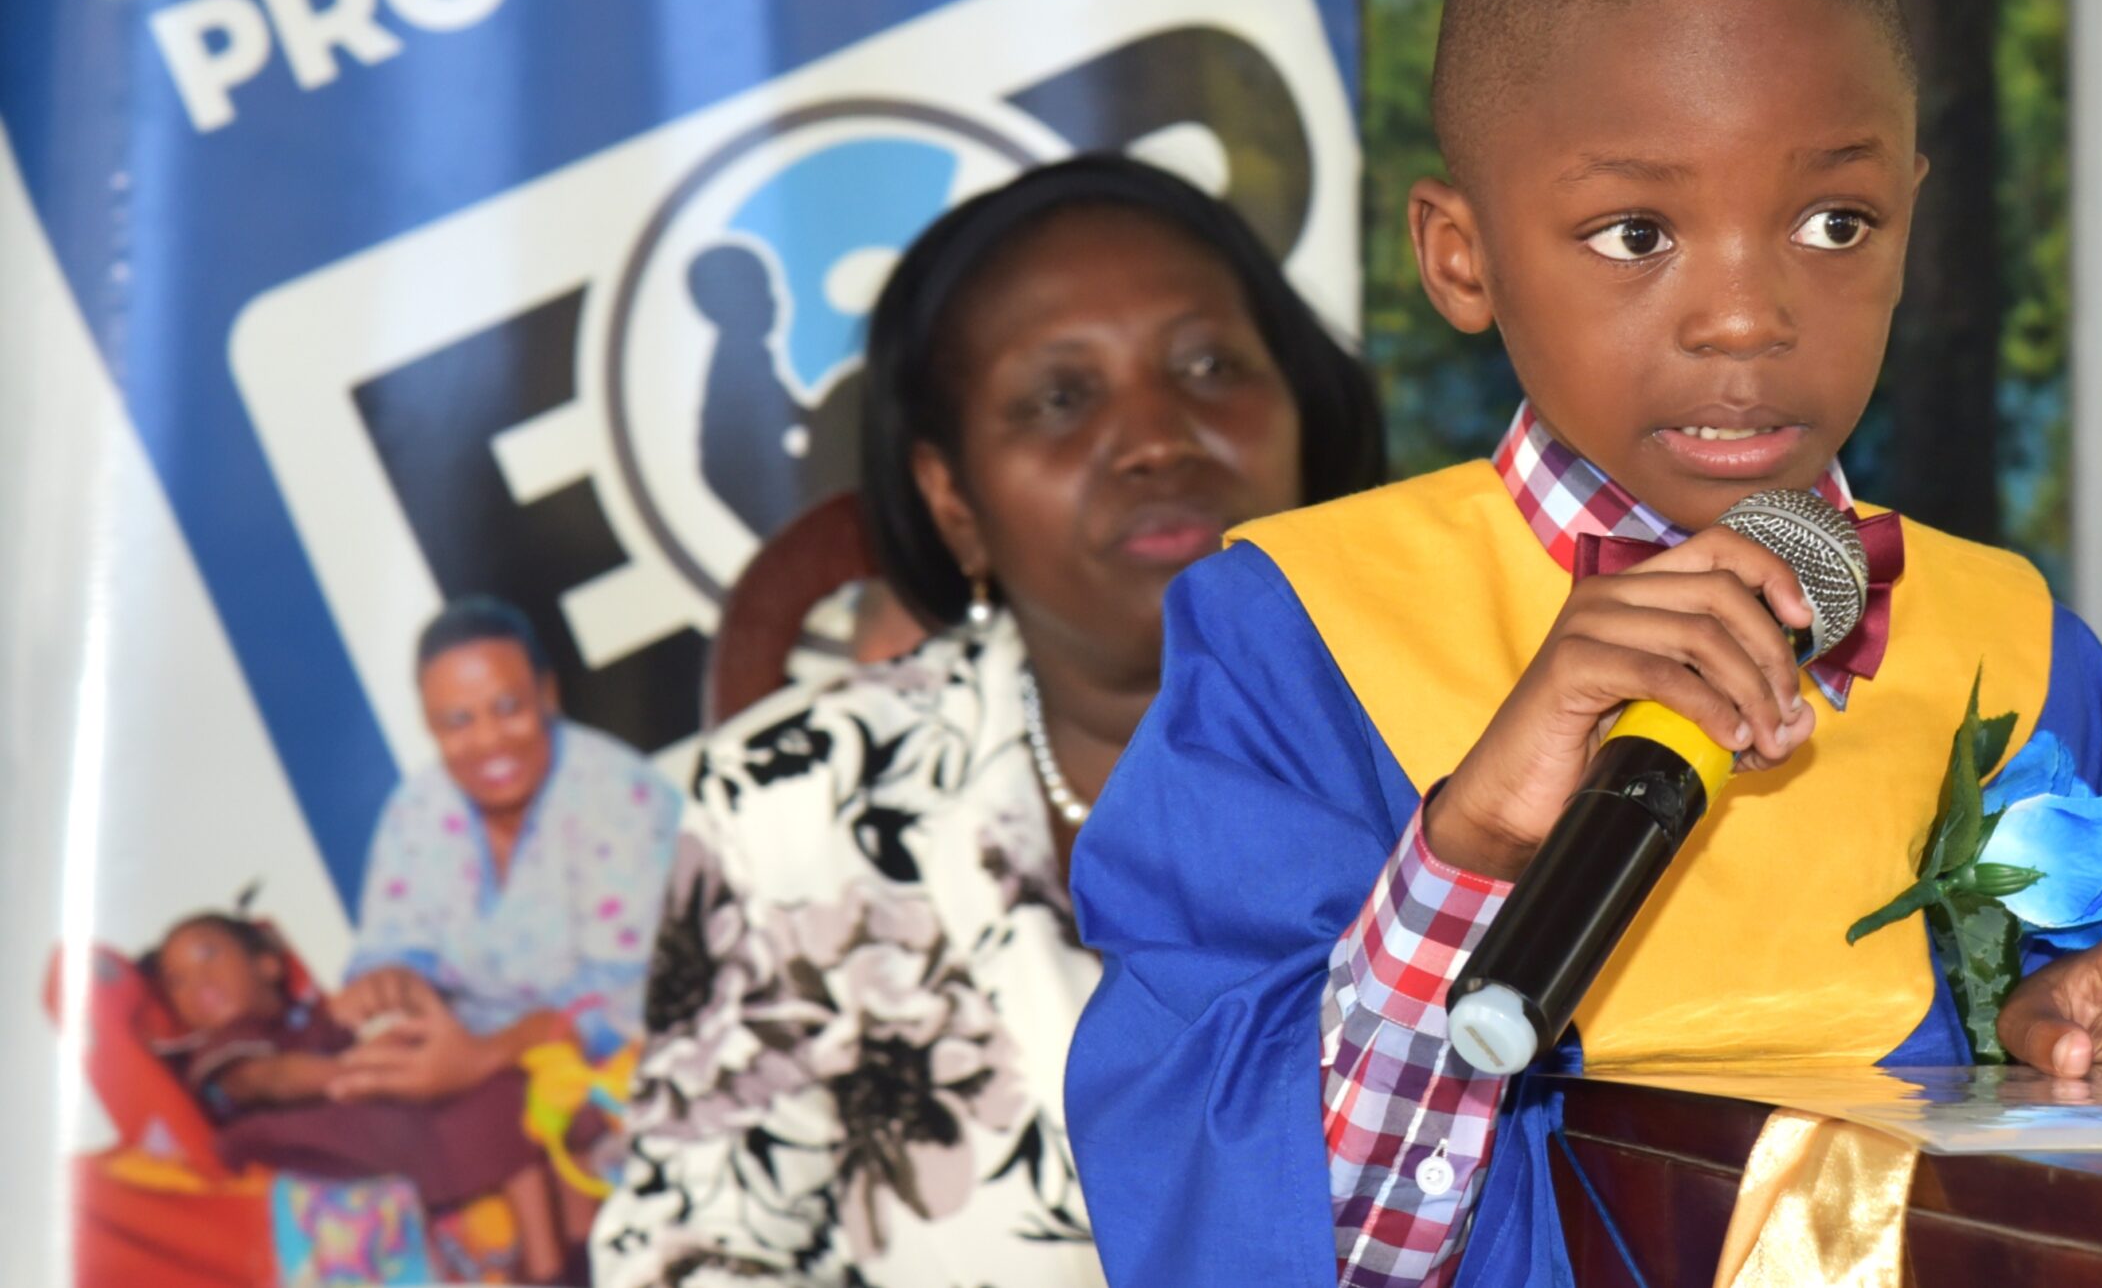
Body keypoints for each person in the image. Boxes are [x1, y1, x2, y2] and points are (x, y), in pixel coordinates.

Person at [1064, 0, 2102, 1287]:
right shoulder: (1296, 637)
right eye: (1634, 233)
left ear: (1913, 226)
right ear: (1460, 253)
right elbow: (1252, 1238)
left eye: (1833, 217)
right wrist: (1474, 844)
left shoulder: (2019, 644)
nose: (1747, 314)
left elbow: (2068, 1197)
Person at [593, 155, 1385, 1288]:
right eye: (1061, 398)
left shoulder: (1480, 731)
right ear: (954, 498)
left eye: (1211, 365)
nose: (1158, 435)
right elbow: (687, 1253)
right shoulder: (802, 792)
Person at [335, 598, 683, 1106]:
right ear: (429, 726)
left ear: (547, 695)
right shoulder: (416, 808)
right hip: (471, 1062)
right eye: (457, 721)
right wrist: (388, 982)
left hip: (633, 1061)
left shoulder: (622, 798)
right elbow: (393, 943)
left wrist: (483, 1059)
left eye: (507, 708)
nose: (488, 741)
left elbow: (630, 997)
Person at [148, 911, 567, 1281]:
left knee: (515, 1095)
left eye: (207, 956)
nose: (196, 982)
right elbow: (267, 1079)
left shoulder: (305, 1021)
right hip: (307, 1149)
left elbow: (358, 1025)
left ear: (268, 964)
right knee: (495, 1106)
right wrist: (354, 1070)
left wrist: (381, 1010)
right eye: (177, 981)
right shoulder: (221, 1049)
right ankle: (549, 1271)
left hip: (362, 1126)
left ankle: (556, 1260)